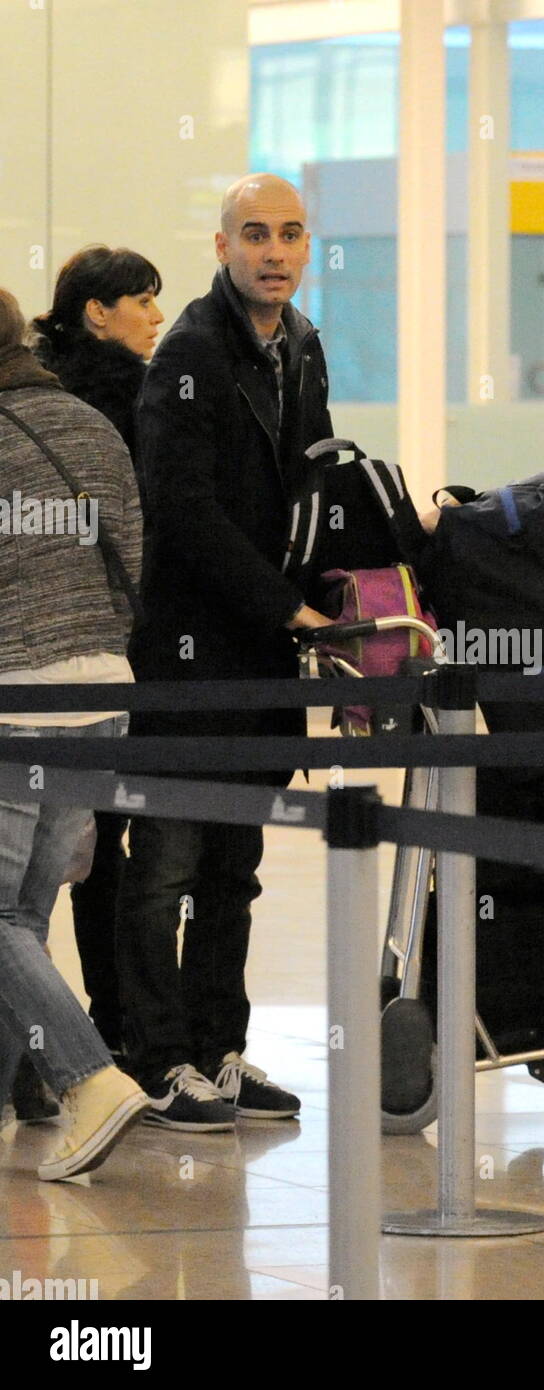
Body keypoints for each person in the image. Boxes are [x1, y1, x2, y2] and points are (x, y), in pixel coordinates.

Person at [116, 173, 335, 1131]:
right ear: (222, 246)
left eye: (290, 234)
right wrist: (287, 607)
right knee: (165, 860)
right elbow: (183, 512)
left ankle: (220, 1050)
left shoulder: (302, 345)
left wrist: (352, 583)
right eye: (256, 234)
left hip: (262, 652)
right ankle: (154, 1056)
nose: (275, 252)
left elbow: (318, 484)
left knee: (233, 868)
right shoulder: (189, 353)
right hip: (189, 652)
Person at [0, 286, 148, 1179]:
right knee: (23, 913)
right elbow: (132, 550)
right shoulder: (91, 420)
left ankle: (91, 1079)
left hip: (12, 696)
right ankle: (33, 1093)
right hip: (101, 688)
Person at [32, 245, 165, 1064]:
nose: (155, 316)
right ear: (97, 312)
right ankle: (105, 1032)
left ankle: (40, 1051)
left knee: (43, 868)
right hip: (108, 658)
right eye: (143, 300)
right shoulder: (120, 408)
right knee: (97, 855)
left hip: (41, 662)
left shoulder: (42, 393)